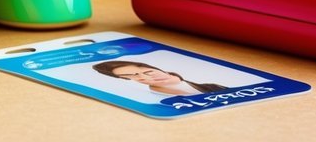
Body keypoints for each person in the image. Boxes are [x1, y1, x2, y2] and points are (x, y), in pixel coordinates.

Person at [91, 60, 227, 97]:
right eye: (133, 76)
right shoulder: (161, 100)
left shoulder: (212, 86)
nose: (143, 76)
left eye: (148, 71)